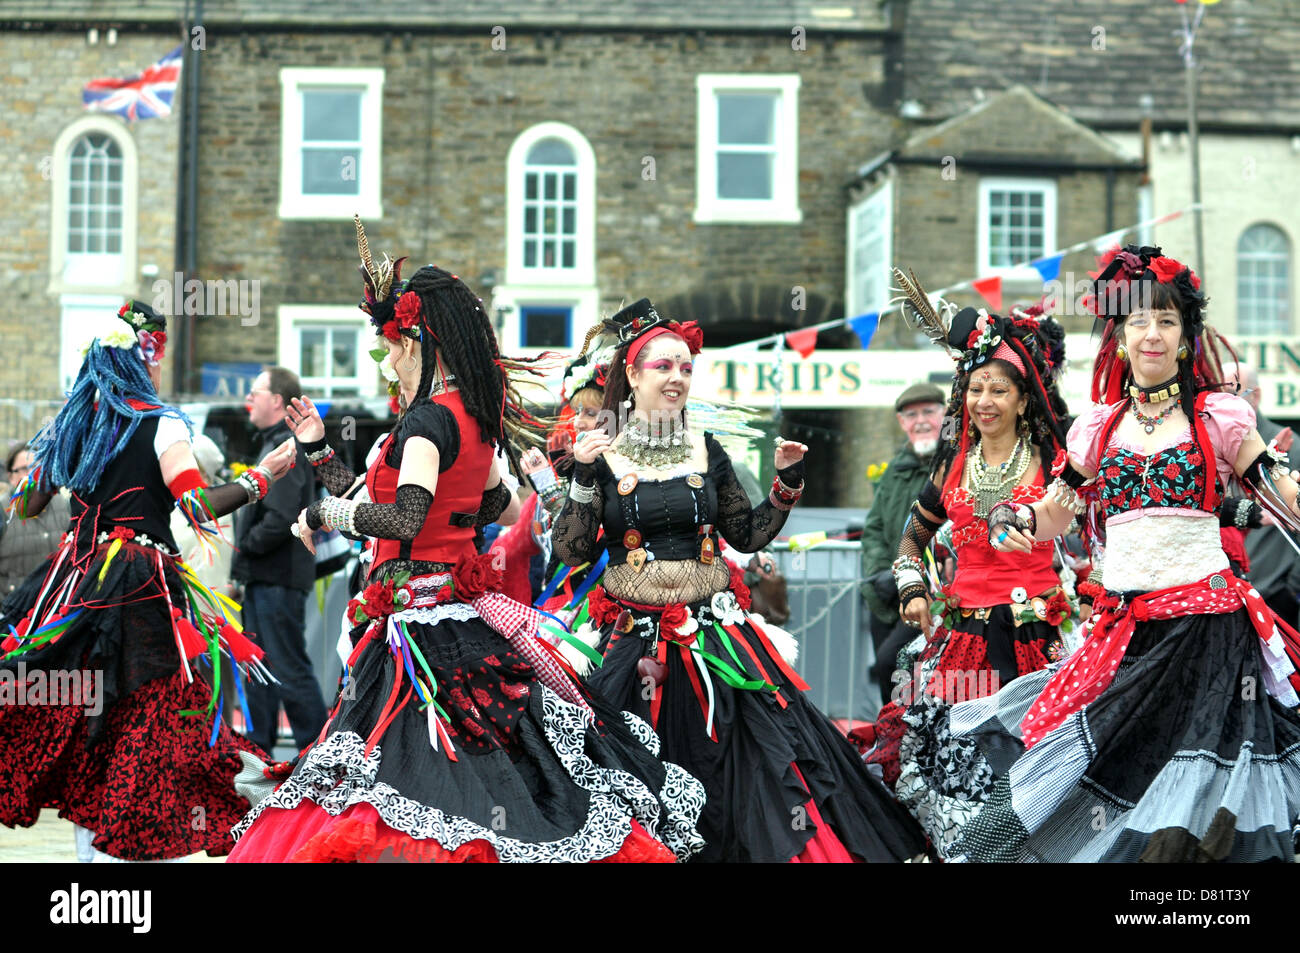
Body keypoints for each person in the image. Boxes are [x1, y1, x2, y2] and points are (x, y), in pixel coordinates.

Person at [228, 236, 705, 863]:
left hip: (420, 636)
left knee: (411, 782)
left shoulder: (428, 422)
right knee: (475, 775)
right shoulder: (470, 420)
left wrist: (322, 512)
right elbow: (490, 508)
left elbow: (403, 516)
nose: (386, 362)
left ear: (420, 345)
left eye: (391, 347)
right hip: (450, 619)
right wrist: (320, 451)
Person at [955, 244, 1300, 862]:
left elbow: (1277, 487)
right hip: (1128, 633)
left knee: (1204, 784)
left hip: (1209, 631)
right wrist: (1017, 517)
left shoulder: (1216, 418)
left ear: (1186, 338)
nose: (1152, 334)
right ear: (1118, 339)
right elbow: (1057, 512)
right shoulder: (1098, 428)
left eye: (1167, 321)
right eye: (1138, 321)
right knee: (1119, 770)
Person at [552, 297, 926, 863]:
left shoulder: (707, 450)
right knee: (631, 772)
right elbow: (571, 548)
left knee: (756, 770)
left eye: (685, 367)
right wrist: (582, 472)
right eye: (663, 366)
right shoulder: (602, 455)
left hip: (718, 639)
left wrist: (787, 483)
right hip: (637, 645)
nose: (677, 378)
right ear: (631, 373)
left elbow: (748, 535)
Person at [0, 300, 297, 861]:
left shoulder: (76, 425)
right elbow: (197, 506)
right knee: (146, 719)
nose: (158, 370)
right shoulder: (160, 423)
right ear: (146, 358)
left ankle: (94, 858)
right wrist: (261, 478)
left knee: (82, 717)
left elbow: (30, 504)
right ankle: (115, 854)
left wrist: (58, 445)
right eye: (156, 357)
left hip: (74, 582)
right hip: (137, 588)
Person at [865, 303, 1074, 859]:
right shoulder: (951, 468)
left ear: (1025, 399)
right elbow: (910, 540)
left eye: (1000, 391)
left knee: (1035, 770)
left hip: (1038, 646)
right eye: (976, 388)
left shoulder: (1055, 461)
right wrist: (912, 587)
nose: (985, 401)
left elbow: (1092, 528)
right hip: (964, 644)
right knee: (962, 769)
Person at [234, 367, 328, 756]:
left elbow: (281, 515)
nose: (248, 400)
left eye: (256, 392)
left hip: (277, 578)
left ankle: (318, 755)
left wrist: (244, 548)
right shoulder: (275, 442)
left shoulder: (287, 447)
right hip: (266, 578)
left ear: (277, 400)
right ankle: (260, 750)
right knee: (261, 668)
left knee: (287, 667)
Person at [860, 382, 946, 705]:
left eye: (928, 412)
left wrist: (912, 578)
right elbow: (874, 528)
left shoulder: (949, 464)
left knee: (892, 663)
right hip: (888, 595)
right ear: (901, 423)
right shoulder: (894, 470)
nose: (920, 420)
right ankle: (894, 741)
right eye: (911, 415)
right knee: (892, 676)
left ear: (944, 415)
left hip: (935, 594)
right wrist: (881, 572)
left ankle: (910, 739)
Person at [1223, 362, 1298, 627]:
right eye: (1222, 395)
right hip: (1224, 592)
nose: (1229, 403)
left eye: (1238, 394)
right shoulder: (1210, 444)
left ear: (1257, 396)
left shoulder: (1292, 447)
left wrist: (1292, 586)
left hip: (1276, 591)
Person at [0, 442, 71, 595]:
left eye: (36, 466)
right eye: (24, 469)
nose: (31, 473)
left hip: (55, 605)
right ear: (11, 476)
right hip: (13, 608)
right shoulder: (2, 510)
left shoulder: (63, 504)